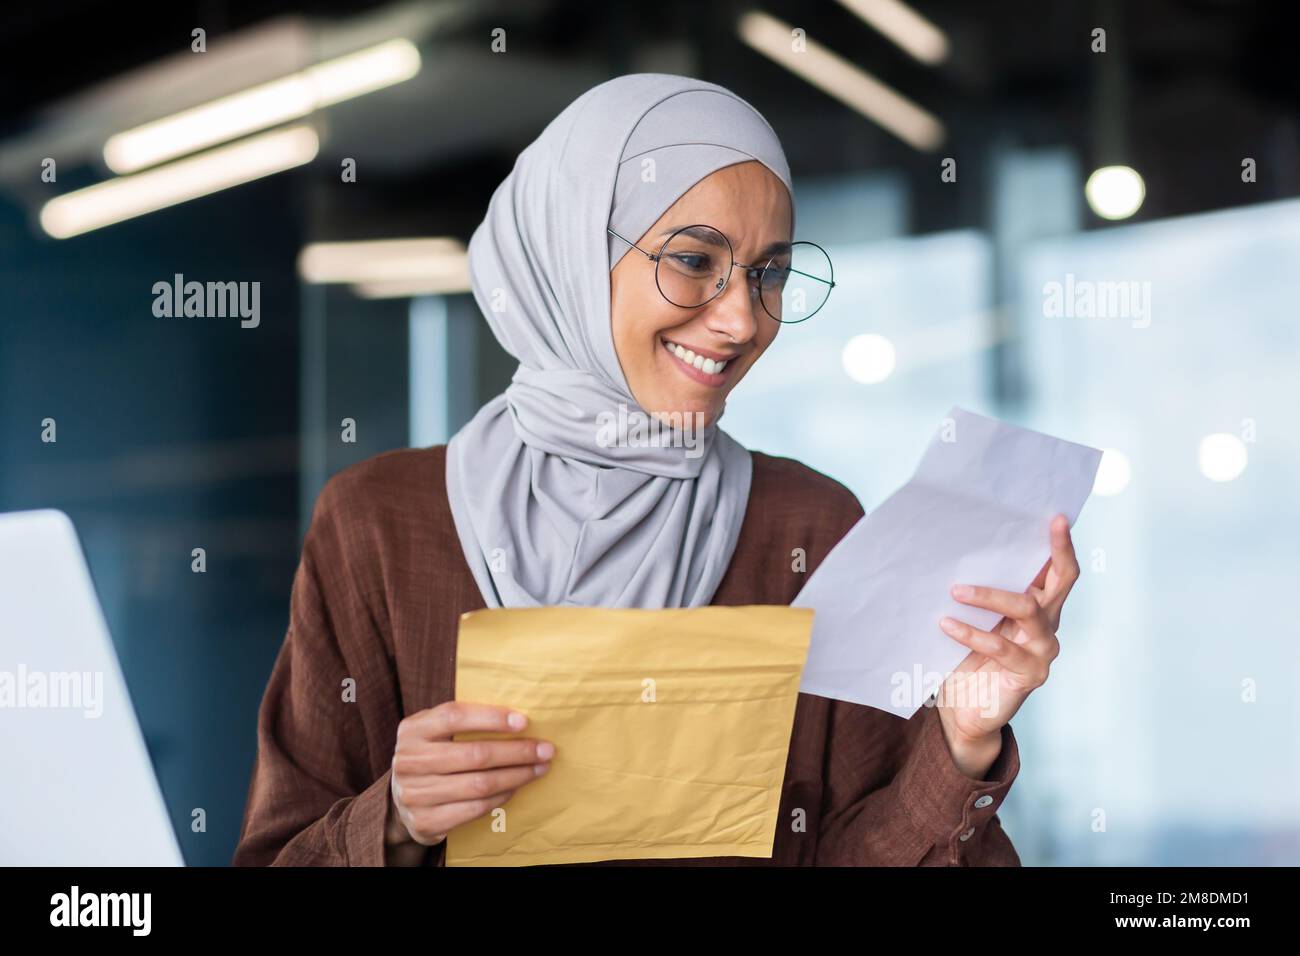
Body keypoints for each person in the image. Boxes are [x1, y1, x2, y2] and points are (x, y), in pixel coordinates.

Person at [233, 73, 1079, 867]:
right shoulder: (379, 523)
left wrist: (961, 741)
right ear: (569, 253)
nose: (743, 318)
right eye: (693, 259)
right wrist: (396, 814)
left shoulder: (806, 527)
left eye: (769, 273)